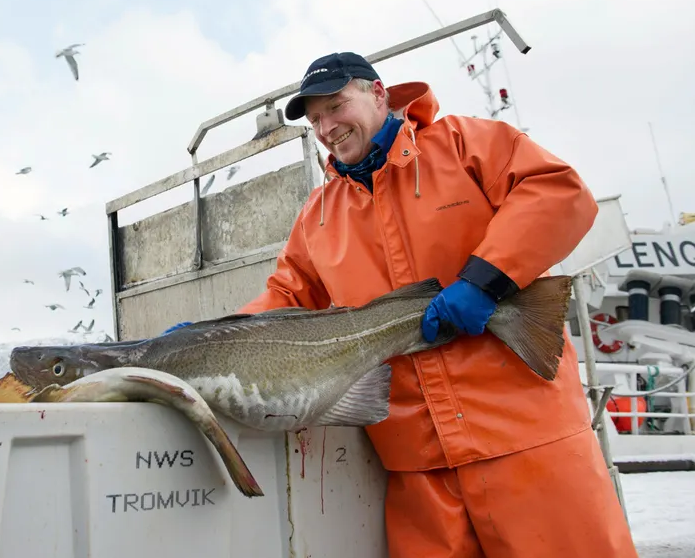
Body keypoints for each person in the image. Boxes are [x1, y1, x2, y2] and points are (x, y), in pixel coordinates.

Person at [165, 52, 638, 557]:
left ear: (377, 93)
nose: (327, 126)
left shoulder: (462, 144)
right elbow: (286, 297)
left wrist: (484, 281)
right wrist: (214, 337)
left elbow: (559, 192)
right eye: (316, 118)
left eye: (336, 105)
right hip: (418, 468)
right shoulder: (317, 216)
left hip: (528, 442)